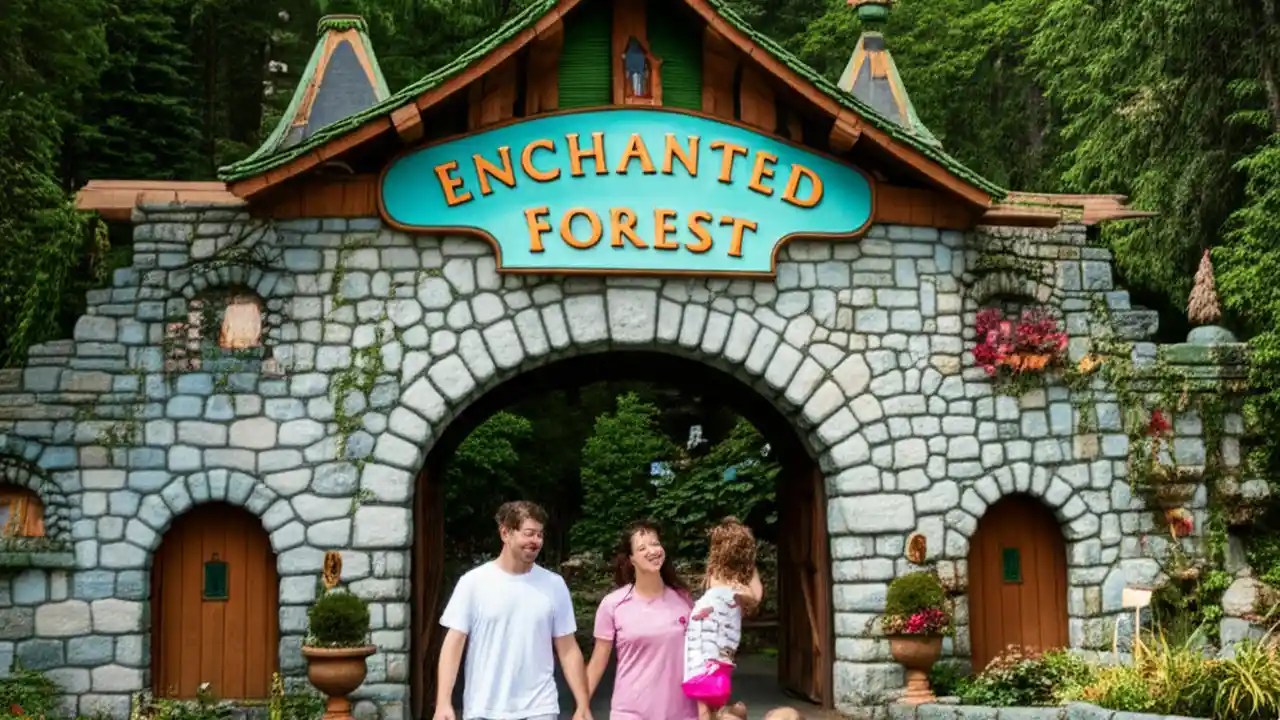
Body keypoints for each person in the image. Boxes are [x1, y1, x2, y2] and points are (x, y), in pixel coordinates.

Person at [433, 500, 592, 720]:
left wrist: (583, 704)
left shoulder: (554, 585)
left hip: (539, 708)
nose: (535, 541)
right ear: (505, 533)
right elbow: (453, 644)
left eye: (539, 535)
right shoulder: (473, 583)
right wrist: (443, 702)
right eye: (528, 533)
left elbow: (568, 648)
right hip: (484, 708)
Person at [586, 520, 699, 720]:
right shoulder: (613, 604)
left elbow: (699, 655)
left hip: (683, 713)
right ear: (631, 559)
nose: (652, 551)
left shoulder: (684, 599)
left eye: (655, 544)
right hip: (631, 712)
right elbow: (597, 661)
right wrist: (581, 704)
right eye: (642, 547)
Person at [682, 517, 763, 720]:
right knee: (704, 687)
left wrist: (741, 594)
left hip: (722, 633)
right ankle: (726, 713)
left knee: (715, 685)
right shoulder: (715, 569)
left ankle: (728, 713)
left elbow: (755, 597)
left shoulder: (747, 571)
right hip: (706, 631)